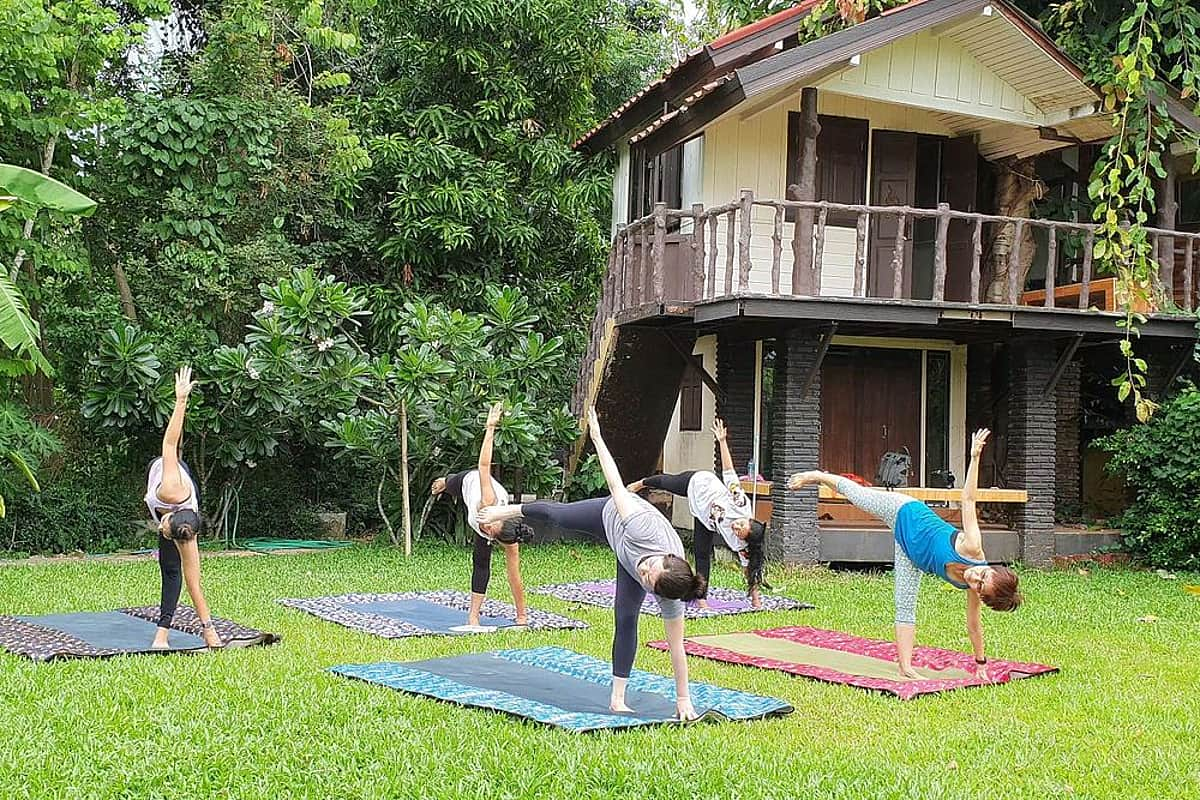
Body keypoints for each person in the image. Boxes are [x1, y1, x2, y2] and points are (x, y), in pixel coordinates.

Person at [479, 407, 705, 720]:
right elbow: (615, 484)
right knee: (558, 515)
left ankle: (617, 699)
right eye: (649, 568)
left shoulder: (670, 591)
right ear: (665, 558)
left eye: (648, 581)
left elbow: (677, 648)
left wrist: (683, 700)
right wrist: (597, 437)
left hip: (623, 553)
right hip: (610, 516)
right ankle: (507, 511)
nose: (644, 573)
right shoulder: (644, 527)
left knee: (626, 619)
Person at [787, 429, 1021, 680]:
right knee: (858, 496)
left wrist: (981, 664)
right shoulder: (973, 547)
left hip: (910, 554)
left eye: (978, 586)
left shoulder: (973, 589)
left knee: (905, 605)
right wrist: (975, 457)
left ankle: (906, 667)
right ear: (990, 566)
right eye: (983, 575)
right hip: (905, 513)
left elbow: (974, 626)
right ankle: (817, 475)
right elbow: (969, 499)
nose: (975, 578)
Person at [627, 418, 766, 608]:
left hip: (704, 517)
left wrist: (756, 599)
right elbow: (729, 471)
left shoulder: (740, 545)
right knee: (668, 482)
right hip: (699, 484)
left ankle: (701, 599)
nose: (736, 527)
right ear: (747, 518)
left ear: (744, 538)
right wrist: (722, 441)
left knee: (702, 554)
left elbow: (748, 568)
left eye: (739, 531)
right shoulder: (740, 502)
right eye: (741, 524)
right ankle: (640, 483)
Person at [430, 402, 533, 627]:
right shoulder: (489, 502)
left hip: (473, 499)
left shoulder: (509, 535)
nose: (486, 530)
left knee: (481, 560)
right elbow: (484, 465)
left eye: (490, 532)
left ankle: (473, 615)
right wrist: (490, 427)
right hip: (466, 481)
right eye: (489, 527)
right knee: (444, 484)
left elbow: (514, 576)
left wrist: (522, 617)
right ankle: (444, 481)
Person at [144, 366, 222, 649]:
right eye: (165, 530)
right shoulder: (169, 484)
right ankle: (162, 631)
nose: (161, 530)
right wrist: (181, 400)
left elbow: (194, 584)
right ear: (170, 516)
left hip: (187, 510)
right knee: (168, 564)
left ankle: (162, 633)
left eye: (166, 534)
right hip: (168, 473)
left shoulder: (186, 530)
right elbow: (170, 441)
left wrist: (209, 630)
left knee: (177, 573)